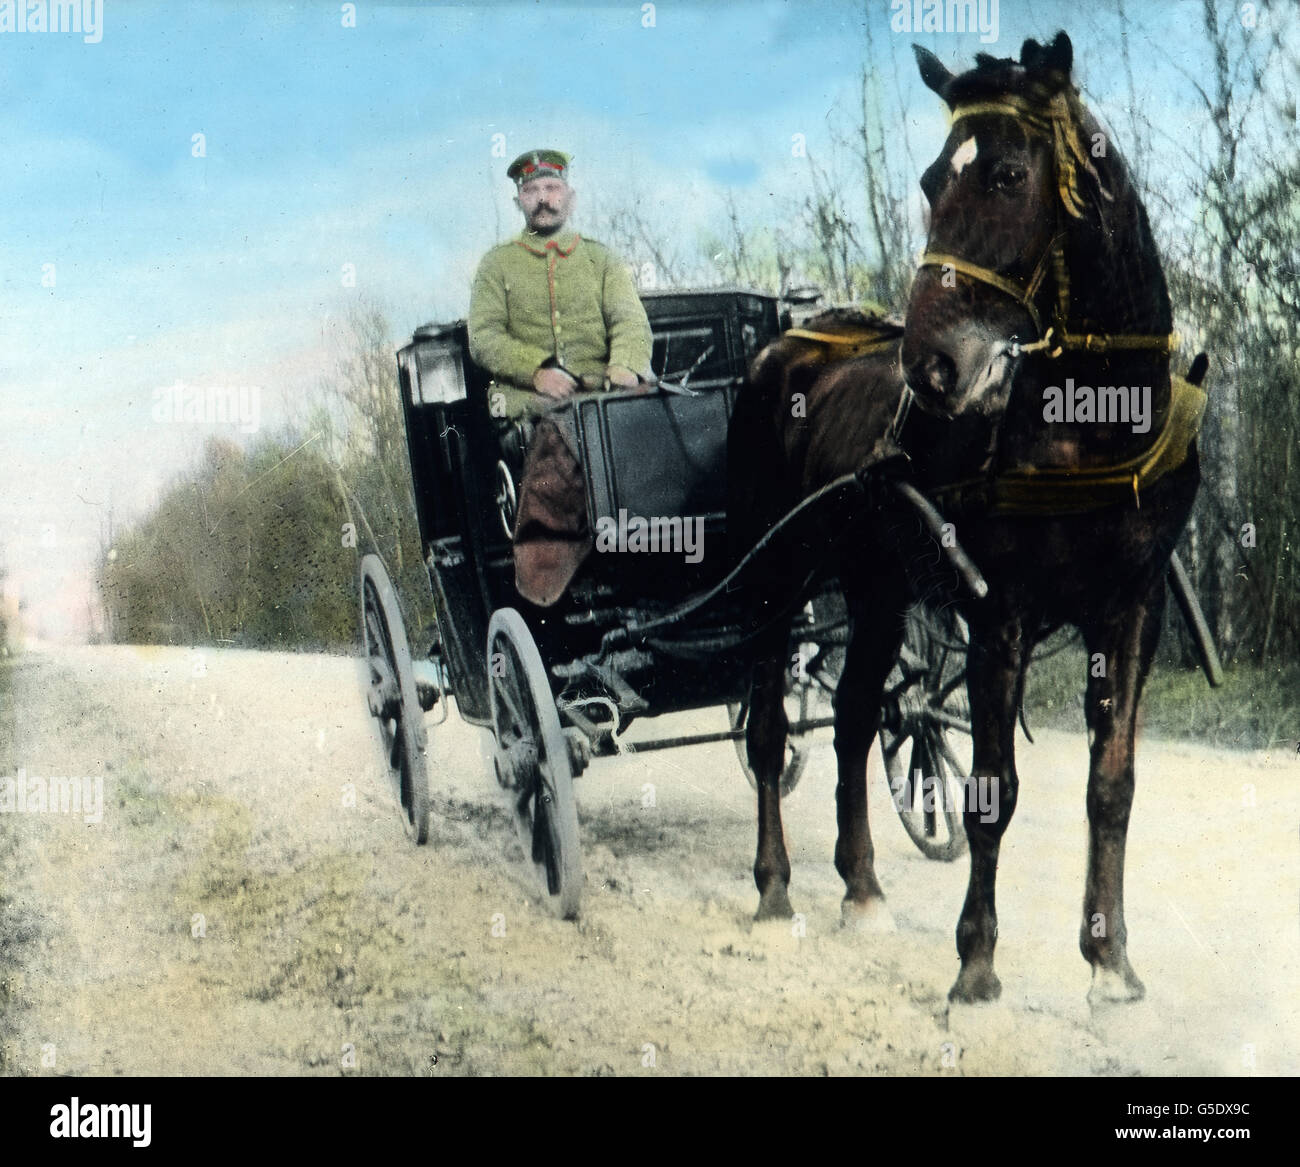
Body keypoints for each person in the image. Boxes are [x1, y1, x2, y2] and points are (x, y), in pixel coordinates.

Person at [467, 149, 654, 606]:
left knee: (655, 415)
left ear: (569, 196)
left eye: (552, 188)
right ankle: (545, 575)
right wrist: (536, 372)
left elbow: (630, 320)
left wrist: (625, 364)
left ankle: (669, 543)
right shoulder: (497, 265)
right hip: (527, 401)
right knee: (560, 432)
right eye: (532, 190)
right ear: (518, 201)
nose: (543, 199)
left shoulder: (599, 259)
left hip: (599, 394)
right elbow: (484, 338)